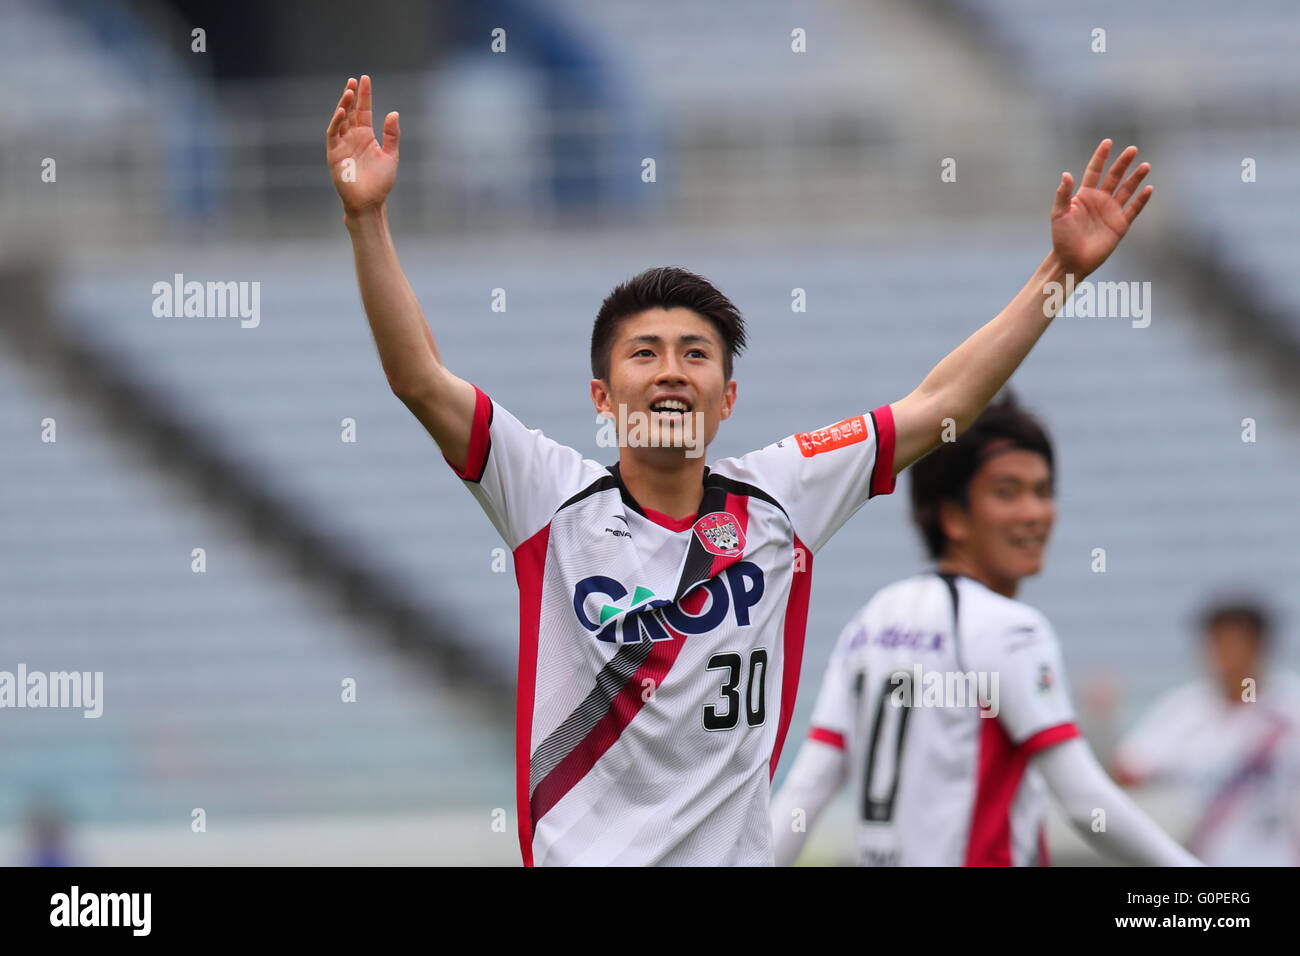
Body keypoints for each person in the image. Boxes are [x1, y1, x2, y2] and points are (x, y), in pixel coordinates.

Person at [326, 74, 1154, 866]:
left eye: (696, 354)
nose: (672, 371)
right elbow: (420, 381)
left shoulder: (779, 497)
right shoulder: (550, 499)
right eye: (643, 354)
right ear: (602, 397)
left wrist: (1061, 275)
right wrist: (367, 221)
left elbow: (944, 400)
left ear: (728, 398)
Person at [770, 394, 1199, 866]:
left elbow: (806, 792)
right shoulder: (1009, 629)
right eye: (1007, 491)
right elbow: (1083, 802)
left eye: (1043, 490)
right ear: (951, 515)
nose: (1035, 512)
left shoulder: (872, 619)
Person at [1113, 601, 1300, 866]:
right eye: (1217, 644)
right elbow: (1128, 770)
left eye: (1235, 644)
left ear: (1260, 646)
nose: (1224, 655)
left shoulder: (1290, 709)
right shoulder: (1184, 710)